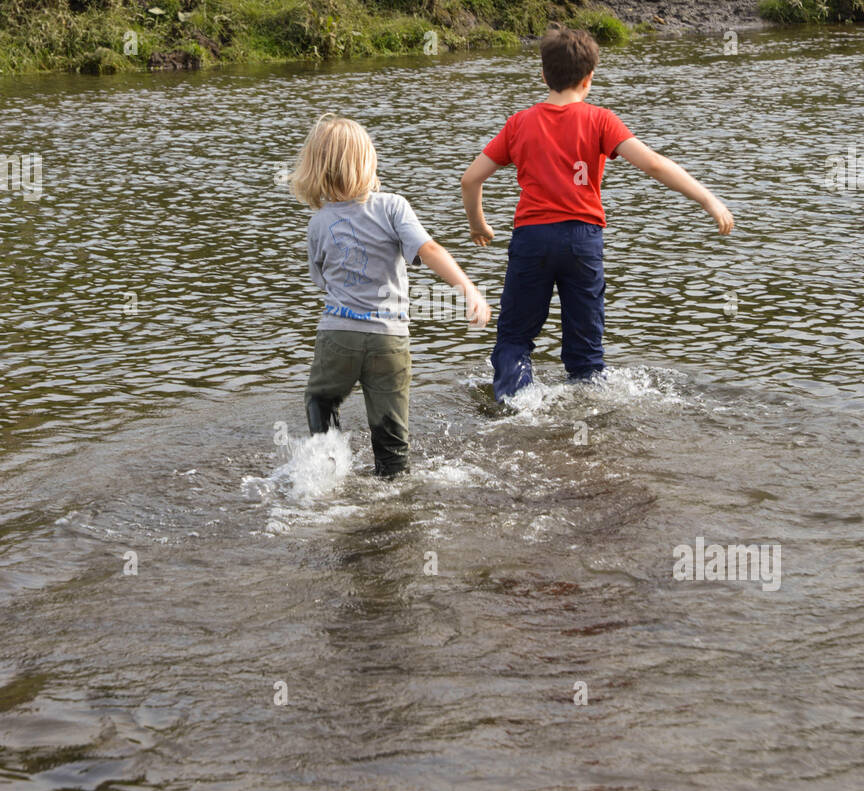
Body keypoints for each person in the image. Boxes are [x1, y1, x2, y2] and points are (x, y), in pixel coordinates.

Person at [459, 27, 734, 401]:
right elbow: (653, 164)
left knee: (515, 339)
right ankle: (590, 415)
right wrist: (708, 200)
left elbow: (471, 179)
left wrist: (478, 223)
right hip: (582, 242)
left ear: (543, 75)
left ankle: (516, 408)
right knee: (586, 353)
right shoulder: (601, 120)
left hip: (533, 240)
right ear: (589, 79)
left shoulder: (519, 124)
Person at [292, 114, 491, 477]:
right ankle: (394, 489)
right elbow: (429, 250)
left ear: (316, 167)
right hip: (390, 339)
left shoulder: (318, 222)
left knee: (320, 400)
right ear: (368, 161)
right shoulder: (392, 206)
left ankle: (328, 473)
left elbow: (320, 279)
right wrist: (469, 291)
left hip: (339, 337)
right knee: (391, 433)